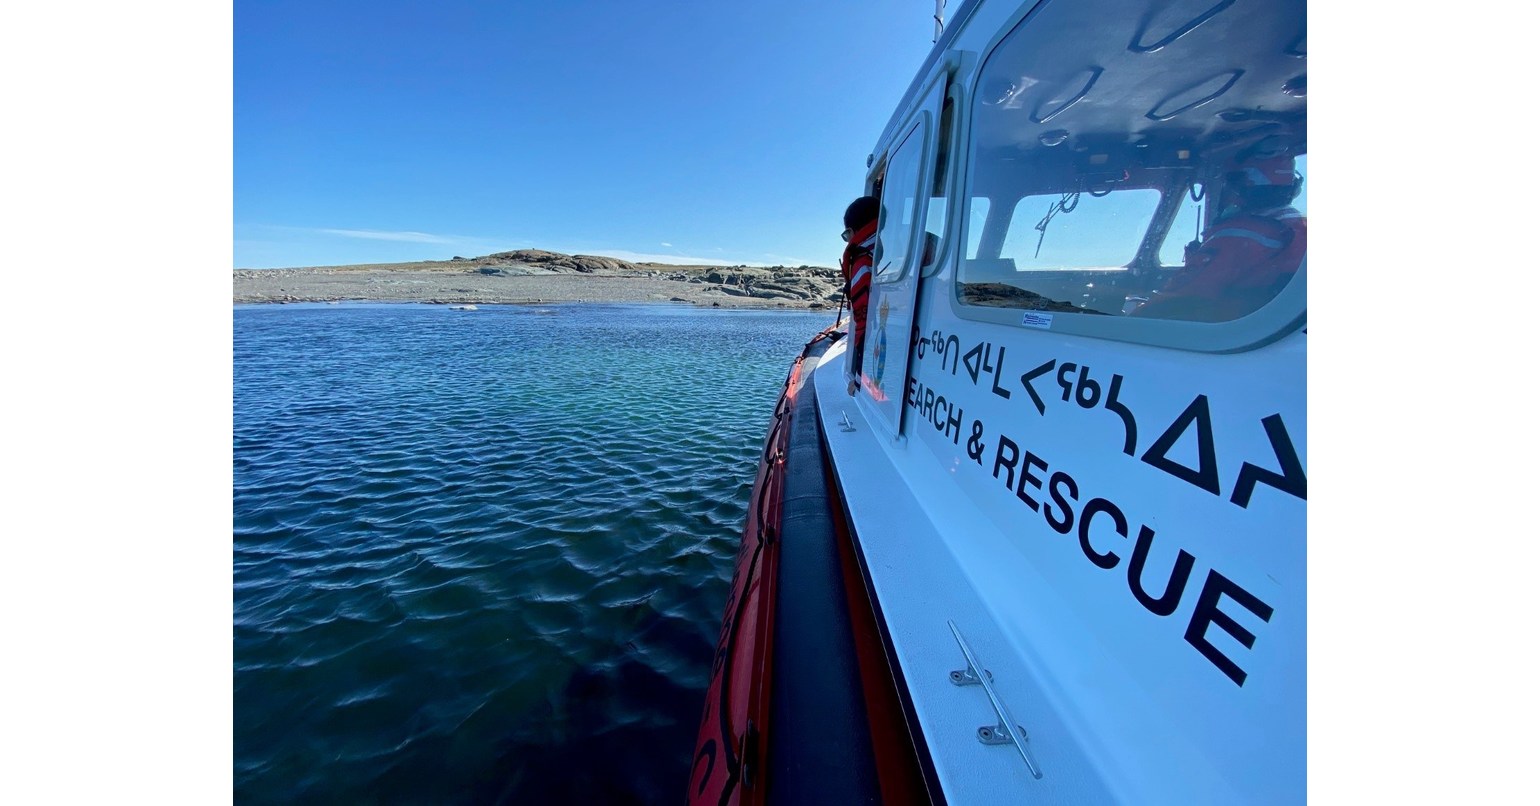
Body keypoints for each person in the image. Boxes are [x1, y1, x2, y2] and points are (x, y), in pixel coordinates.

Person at [1136, 138, 1306, 322]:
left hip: (1226, 331)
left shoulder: (1240, 235)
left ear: (1241, 186)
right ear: (1294, 186)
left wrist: (1134, 318)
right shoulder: (1300, 227)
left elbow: (1185, 293)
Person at [839, 196, 879, 395]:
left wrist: (858, 378)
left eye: (847, 234)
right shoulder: (887, 247)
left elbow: (864, 325)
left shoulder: (863, 260)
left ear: (854, 231)